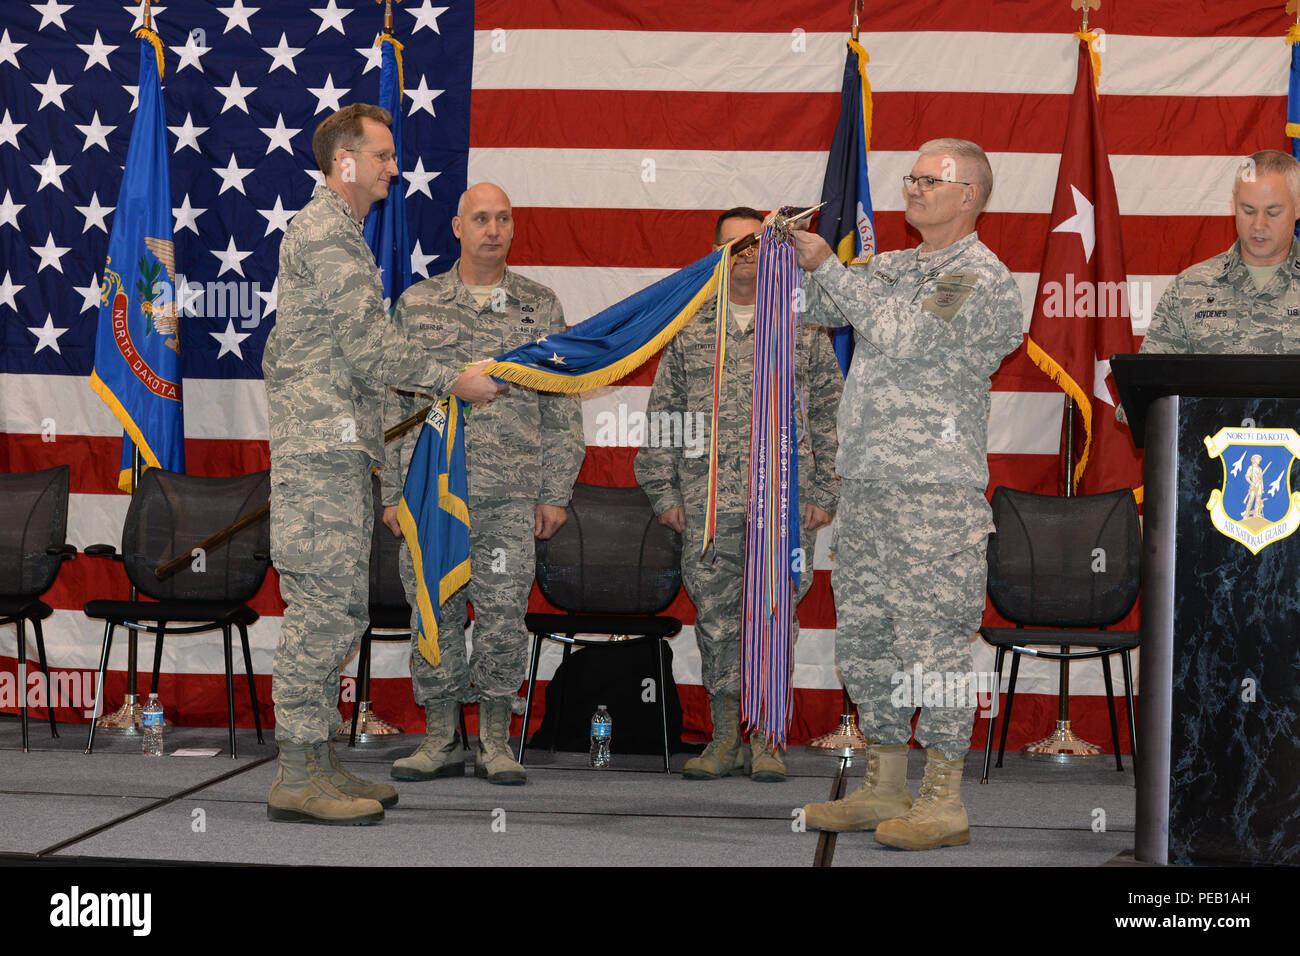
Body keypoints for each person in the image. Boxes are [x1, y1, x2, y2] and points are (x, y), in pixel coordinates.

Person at [264, 104, 504, 825]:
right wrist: (452, 378)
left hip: (336, 447)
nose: (393, 169)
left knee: (341, 609)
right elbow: (372, 350)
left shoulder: (342, 233)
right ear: (345, 161)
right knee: (321, 613)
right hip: (319, 450)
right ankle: (294, 775)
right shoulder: (328, 235)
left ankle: (319, 762)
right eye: (382, 156)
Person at [791, 139, 1023, 849]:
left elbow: (902, 335)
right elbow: (819, 307)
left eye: (932, 179)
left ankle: (944, 799)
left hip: (933, 497)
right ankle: (884, 784)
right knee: (870, 644)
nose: (915, 188)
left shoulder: (980, 276)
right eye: (912, 177)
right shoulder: (893, 267)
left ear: (970, 195)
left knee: (937, 651)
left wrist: (833, 268)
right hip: (868, 489)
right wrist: (788, 251)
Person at [382, 183, 585, 787]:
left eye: (502, 219)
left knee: (501, 615)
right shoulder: (418, 304)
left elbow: (563, 402)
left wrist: (555, 490)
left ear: (513, 228)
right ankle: (441, 737)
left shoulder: (539, 307)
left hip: (508, 492)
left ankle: (495, 741)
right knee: (434, 613)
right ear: (457, 227)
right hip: (429, 493)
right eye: (480, 219)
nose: (491, 229)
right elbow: (393, 401)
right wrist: (393, 493)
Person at [634, 207, 842, 783]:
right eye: (732, 246)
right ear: (715, 253)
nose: (744, 254)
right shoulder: (691, 326)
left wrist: (824, 490)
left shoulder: (801, 324)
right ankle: (726, 737)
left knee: (776, 621)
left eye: (754, 245)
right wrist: (664, 492)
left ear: (771, 251)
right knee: (719, 624)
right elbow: (663, 419)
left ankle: (769, 737)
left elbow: (829, 414)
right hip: (707, 508)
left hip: (784, 509)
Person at [1140, 149, 1300, 355]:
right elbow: (1153, 381)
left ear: (1297, 207)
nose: (1259, 224)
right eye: (1248, 210)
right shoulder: (1189, 287)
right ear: (1234, 202)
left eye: (1273, 212)